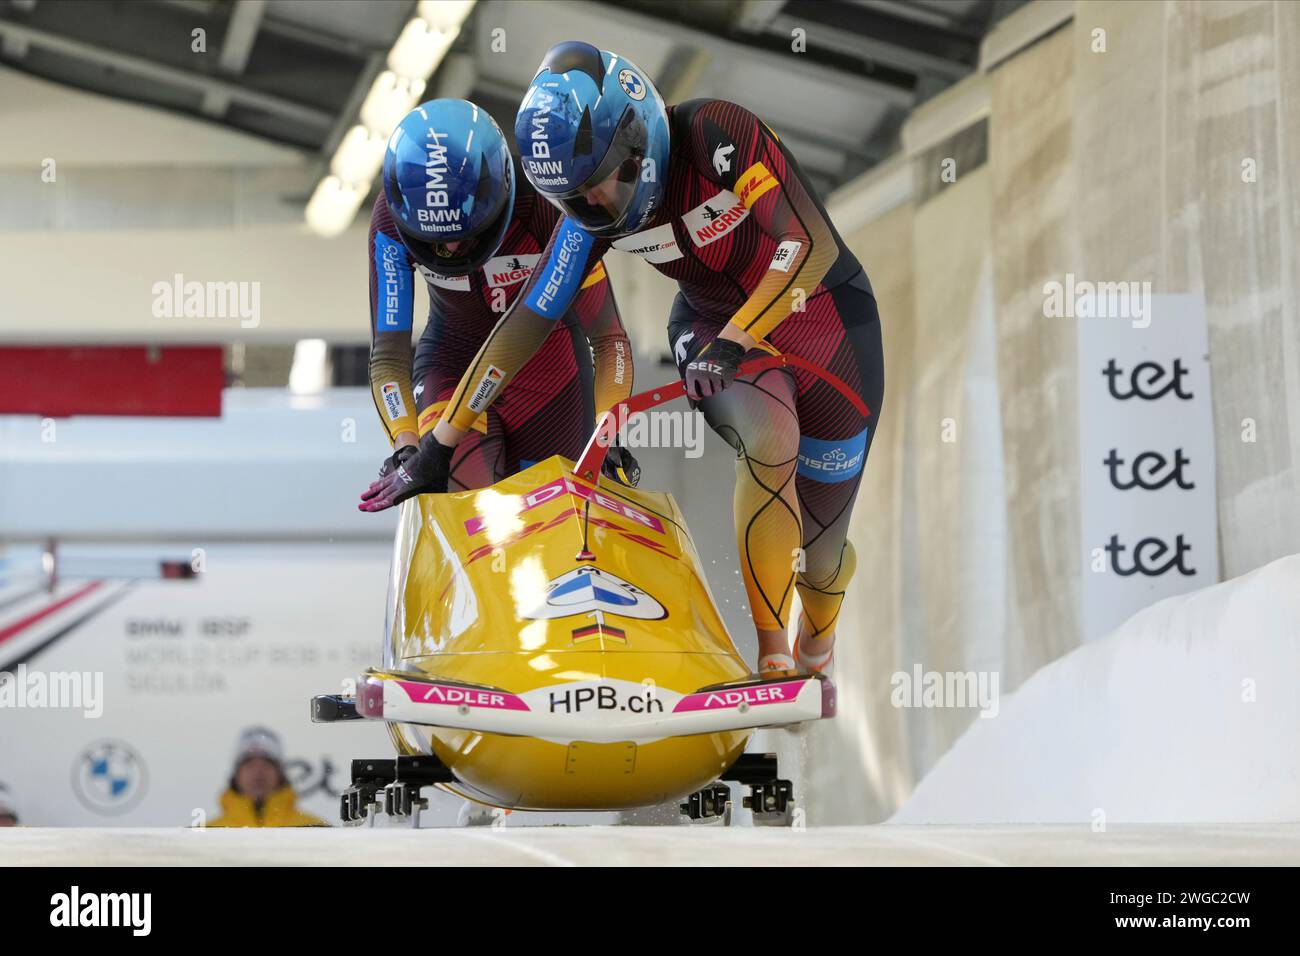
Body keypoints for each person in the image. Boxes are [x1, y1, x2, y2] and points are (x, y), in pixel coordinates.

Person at [419, 43, 884, 678]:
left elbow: (807, 245)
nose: (600, 206)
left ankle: (817, 639)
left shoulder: (718, 132)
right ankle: (773, 655)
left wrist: (739, 337)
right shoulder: (590, 221)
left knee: (823, 558)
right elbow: (527, 321)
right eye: (577, 199)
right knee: (769, 433)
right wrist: (441, 441)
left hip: (827, 322)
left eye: (607, 181)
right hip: (709, 326)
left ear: (639, 137)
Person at [357, 99, 636, 511]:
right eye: (435, 240)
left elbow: (609, 338)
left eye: (466, 233)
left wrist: (608, 430)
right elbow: (388, 356)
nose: (452, 249)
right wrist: (406, 444)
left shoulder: (545, 203)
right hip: (452, 363)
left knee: (551, 519)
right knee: (465, 500)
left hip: (550, 373)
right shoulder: (388, 222)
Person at [205, 727, 327, 828]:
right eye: (250, 764)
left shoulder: (315, 828)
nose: (258, 772)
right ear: (237, 774)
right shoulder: (206, 833)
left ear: (280, 774)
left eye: (267, 764)